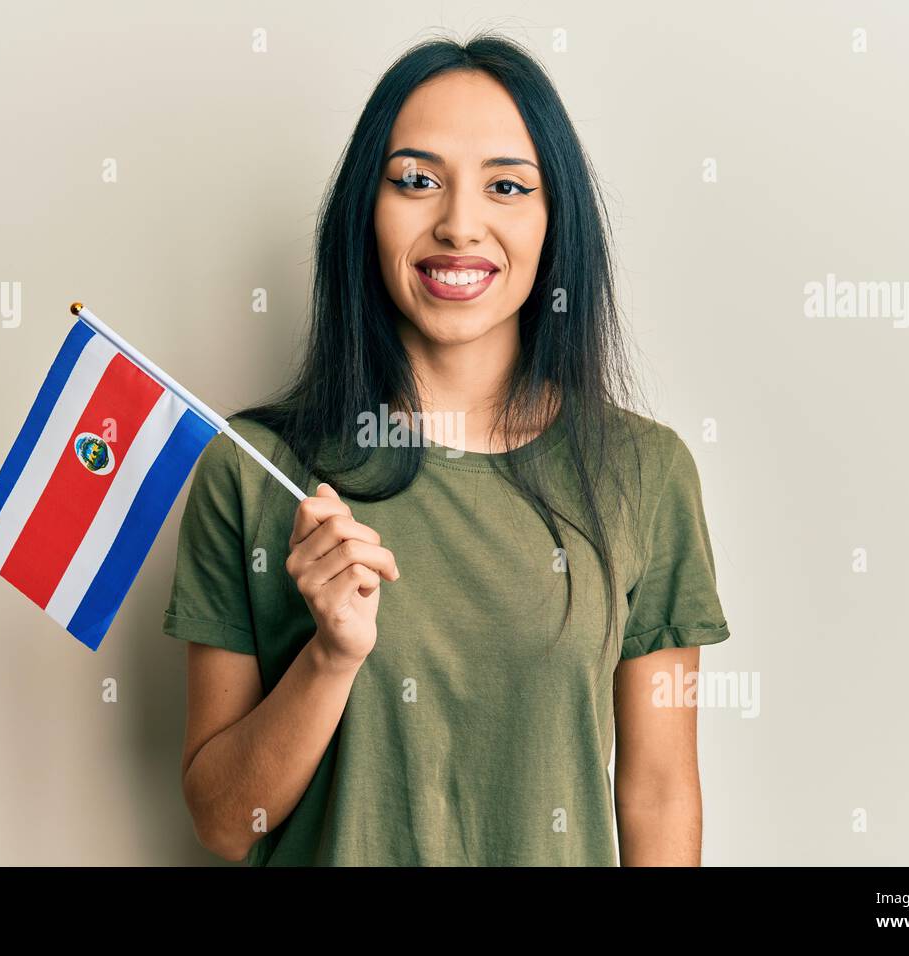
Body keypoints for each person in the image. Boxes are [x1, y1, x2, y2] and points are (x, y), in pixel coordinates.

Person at [163, 33, 731, 866]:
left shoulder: (645, 473)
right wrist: (330, 656)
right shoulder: (252, 473)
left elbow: (659, 793)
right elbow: (222, 822)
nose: (460, 225)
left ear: (553, 221)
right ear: (367, 209)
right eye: (417, 181)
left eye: (506, 186)